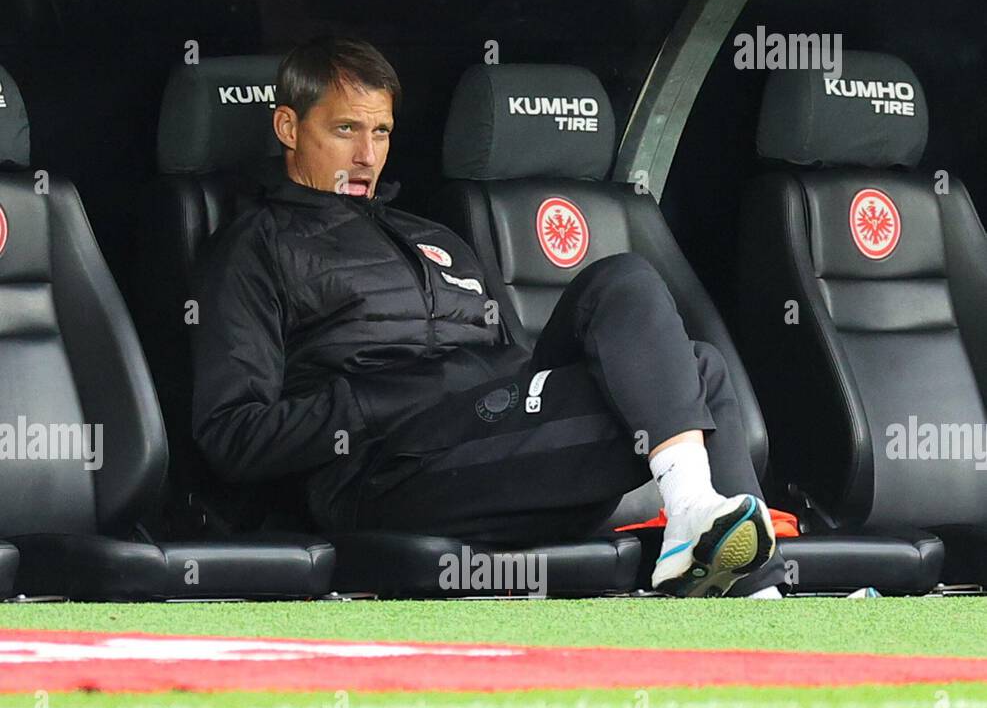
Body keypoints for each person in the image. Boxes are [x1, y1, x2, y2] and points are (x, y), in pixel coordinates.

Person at [192, 34, 783, 598]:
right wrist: (381, 400)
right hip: (384, 471)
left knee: (633, 288)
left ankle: (701, 523)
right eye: (345, 130)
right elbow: (233, 437)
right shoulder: (256, 247)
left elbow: (515, 362)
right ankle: (742, 579)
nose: (366, 155)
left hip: (486, 428)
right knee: (694, 378)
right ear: (288, 127)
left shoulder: (436, 237)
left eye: (381, 131)